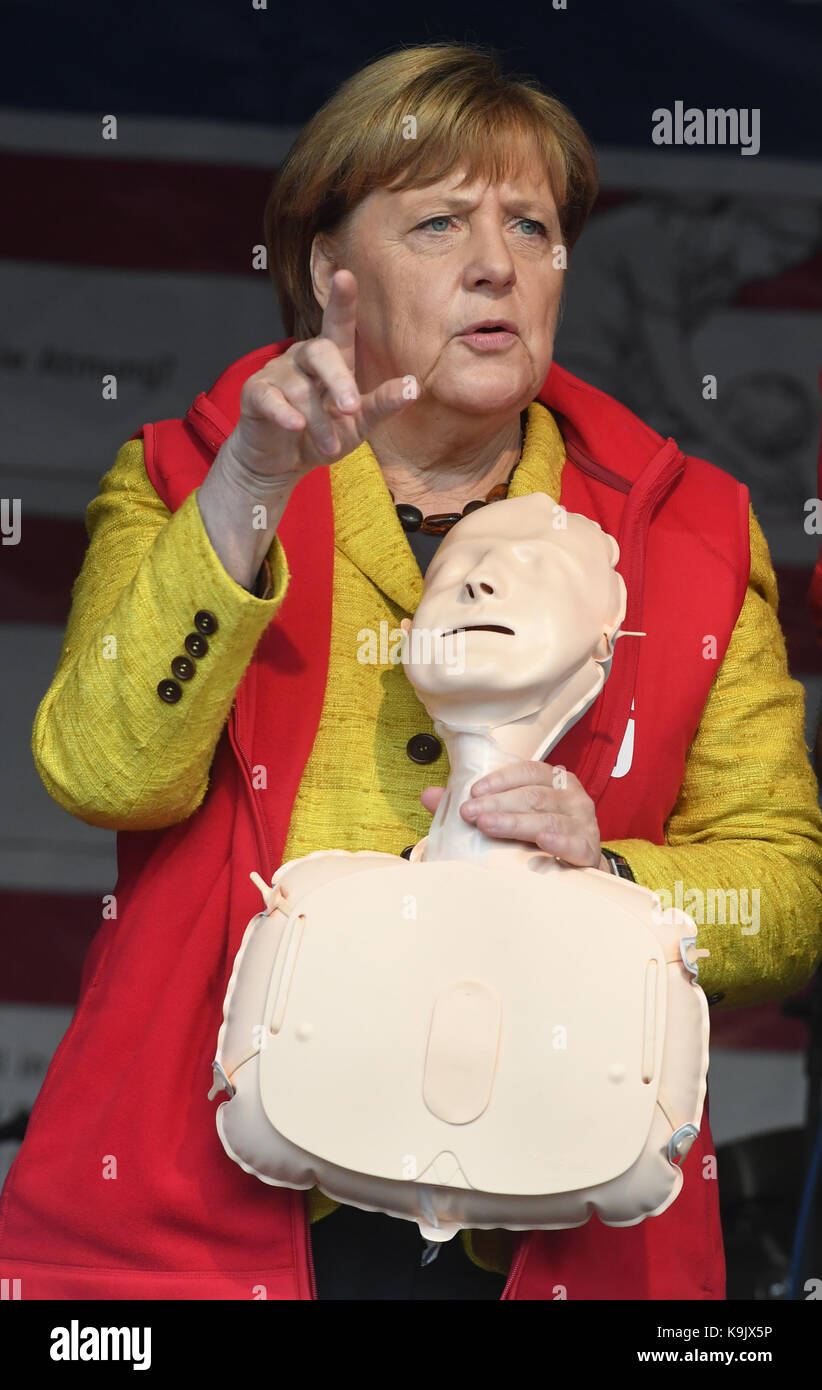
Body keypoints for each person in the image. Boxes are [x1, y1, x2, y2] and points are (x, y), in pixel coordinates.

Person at [2, 40, 821, 1301]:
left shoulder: (694, 528)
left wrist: (615, 876)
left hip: (560, 1231)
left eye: (533, 226)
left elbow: (782, 899)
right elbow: (106, 768)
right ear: (331, 273)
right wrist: (254, 486)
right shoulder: (187, 476)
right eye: (439, 221)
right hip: (207, 1230)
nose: (496, 261)